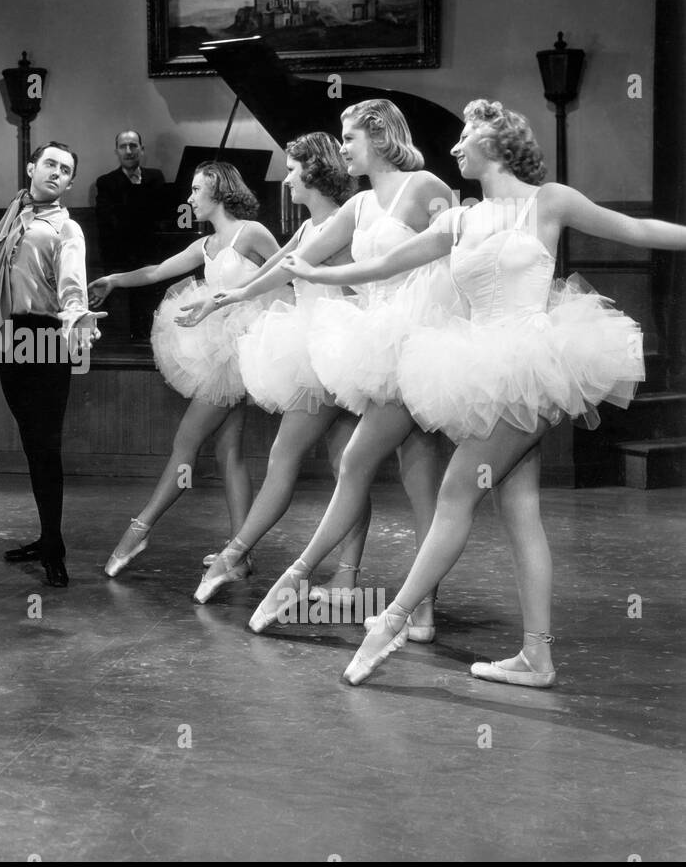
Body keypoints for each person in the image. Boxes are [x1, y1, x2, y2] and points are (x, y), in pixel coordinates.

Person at [284, 99, 681, 688]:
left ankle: (390, 622)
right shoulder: (459, 218)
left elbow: (639, 229)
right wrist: (316, 273)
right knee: (520, 514)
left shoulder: (551, 201)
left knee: (453, 492)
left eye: (466, 134)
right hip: (481, 373)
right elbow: (384, 264)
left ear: (498, 140)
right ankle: (537, 657)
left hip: (532, 368)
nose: (455, 145)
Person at [181, 100, 456, 638]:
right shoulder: (357, 208)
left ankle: (410, 605)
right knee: (383, 468)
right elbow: (290, 263)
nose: (343, 147)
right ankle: (385, 596)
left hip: (418, 340)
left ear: (378, 137)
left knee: (417, 478)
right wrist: (224, 298)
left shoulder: (424, 185)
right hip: (377, 345)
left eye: (350, 137)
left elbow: (450, 256)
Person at [182, 135, 371, 605]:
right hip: (318, 350)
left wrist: (356, 338)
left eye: (291, 169)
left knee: (287, 458)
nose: (285, 178)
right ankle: (345, 579)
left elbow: (326, 281)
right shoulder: (310, 229)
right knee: (345, 466)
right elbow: (269, 271)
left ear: (313, 173)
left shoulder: (342, 226)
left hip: (335, 351)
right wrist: (220, 298)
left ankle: (235, 554)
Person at [89, 160, 282, 582]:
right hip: (218, 350)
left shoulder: (252, 233)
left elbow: (287, 275)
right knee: (228, 451)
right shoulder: (207, 244)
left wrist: (264, 322)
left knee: (185, 444)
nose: (190, 197)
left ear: (219, 192)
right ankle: (241, 552)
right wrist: (114, 281)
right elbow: (158, 271)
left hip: (240, 349)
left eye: (197, 189)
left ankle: (138, 530)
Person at [0, 141, 104, 587]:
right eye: (50, 163)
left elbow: (72, 283)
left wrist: (77, 315)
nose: (56, 172)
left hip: (49, 335)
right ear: (32, 168)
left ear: (70, 183)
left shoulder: (67, 227)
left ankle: (54, 546)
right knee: (31, 441)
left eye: (65, 169)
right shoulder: (14, 212)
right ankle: (45, 536)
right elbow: (9, 272)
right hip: (12, 333)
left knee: (46, 444)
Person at [94, 130, 169, 341]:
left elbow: (160, 216)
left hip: (150, 255)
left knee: (150, 317)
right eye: (123, 146)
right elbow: (111, 224)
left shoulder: (156, 177)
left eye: (133, 145)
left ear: (142, 150)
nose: (129, 151)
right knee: (122, 325)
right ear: (116, 151)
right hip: (121, 257)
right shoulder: (106, 182)